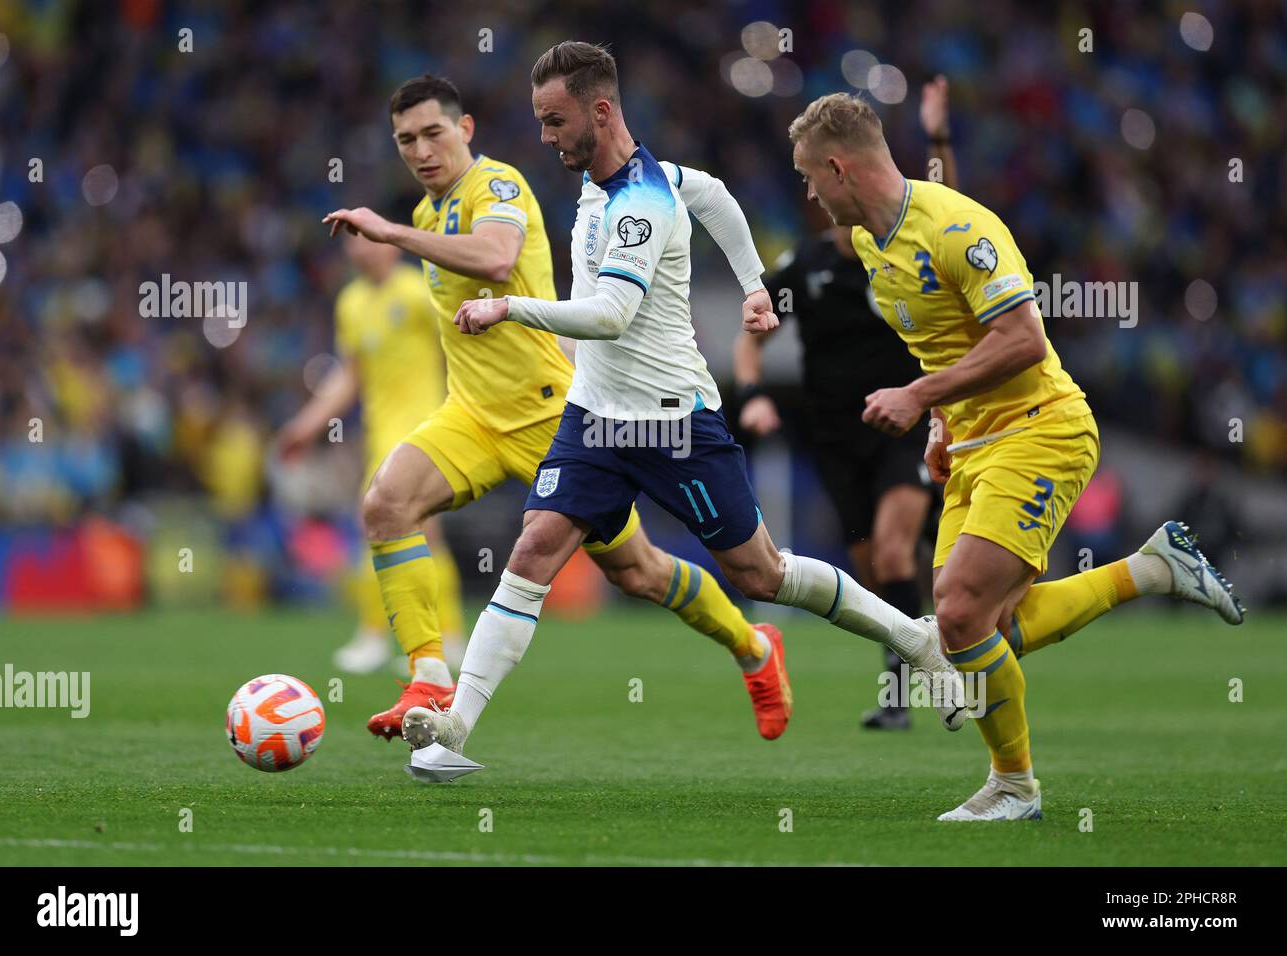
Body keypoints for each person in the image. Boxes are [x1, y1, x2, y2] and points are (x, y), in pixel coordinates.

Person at [401, 42, 969, 780]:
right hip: (594, 421)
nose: (544, 138)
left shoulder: (641, 202)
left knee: (762, 575)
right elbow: (715, 195)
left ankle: (916, 639)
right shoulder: (629, 180)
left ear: (599, 114)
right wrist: (755, 283)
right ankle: (454, 730)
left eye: (554, 121)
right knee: (534, 547)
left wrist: (509, 306)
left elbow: (609, 314)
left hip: (674, 423)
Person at [787, 91, 1244, 820]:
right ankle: (1155, 569)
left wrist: (916, 394)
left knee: (959, 615)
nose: (808, 193)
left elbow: (1025, 340)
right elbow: (946, 339)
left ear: (839, 168)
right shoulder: (874, 244)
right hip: (971, 442)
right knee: (983, 629)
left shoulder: (960, 227)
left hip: (1042, 427)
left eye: (811, 177)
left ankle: (1015, 787)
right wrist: (940, 419)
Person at [322, 74, 794, 744]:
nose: (421, 150)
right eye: (406, 140)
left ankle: (752, 646)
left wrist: (390, 234)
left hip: (551, 415)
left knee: (640, 571)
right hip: (473, 415)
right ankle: (427, 676)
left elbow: (496, 256)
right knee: (385, 506)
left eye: (433, 132)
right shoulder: (430, 214)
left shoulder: (498, 187)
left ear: (465, 130)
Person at [735, 76, 958, 730]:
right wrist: (751, 394)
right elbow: (750, 332)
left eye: (814, 179)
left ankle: (915, 688)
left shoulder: (894, 244)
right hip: (837, 436)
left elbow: (948, 202)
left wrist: (939, 133)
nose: (811, 194)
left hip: (904, 426)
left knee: (891, 555)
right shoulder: (804, 266)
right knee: (871, 571)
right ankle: (911, 673)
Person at [275, 232, 464, 676]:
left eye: (369, 240)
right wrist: (306, 426)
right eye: (352, 243)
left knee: (405, 527)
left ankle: (394, 636)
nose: (361, 249)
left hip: (425, 430)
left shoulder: (418, 294)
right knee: (403, 529)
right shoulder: (351, 303)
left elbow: (459, 350)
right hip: (382, 435)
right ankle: (426, 635)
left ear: (391, 244)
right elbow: (349, 376)